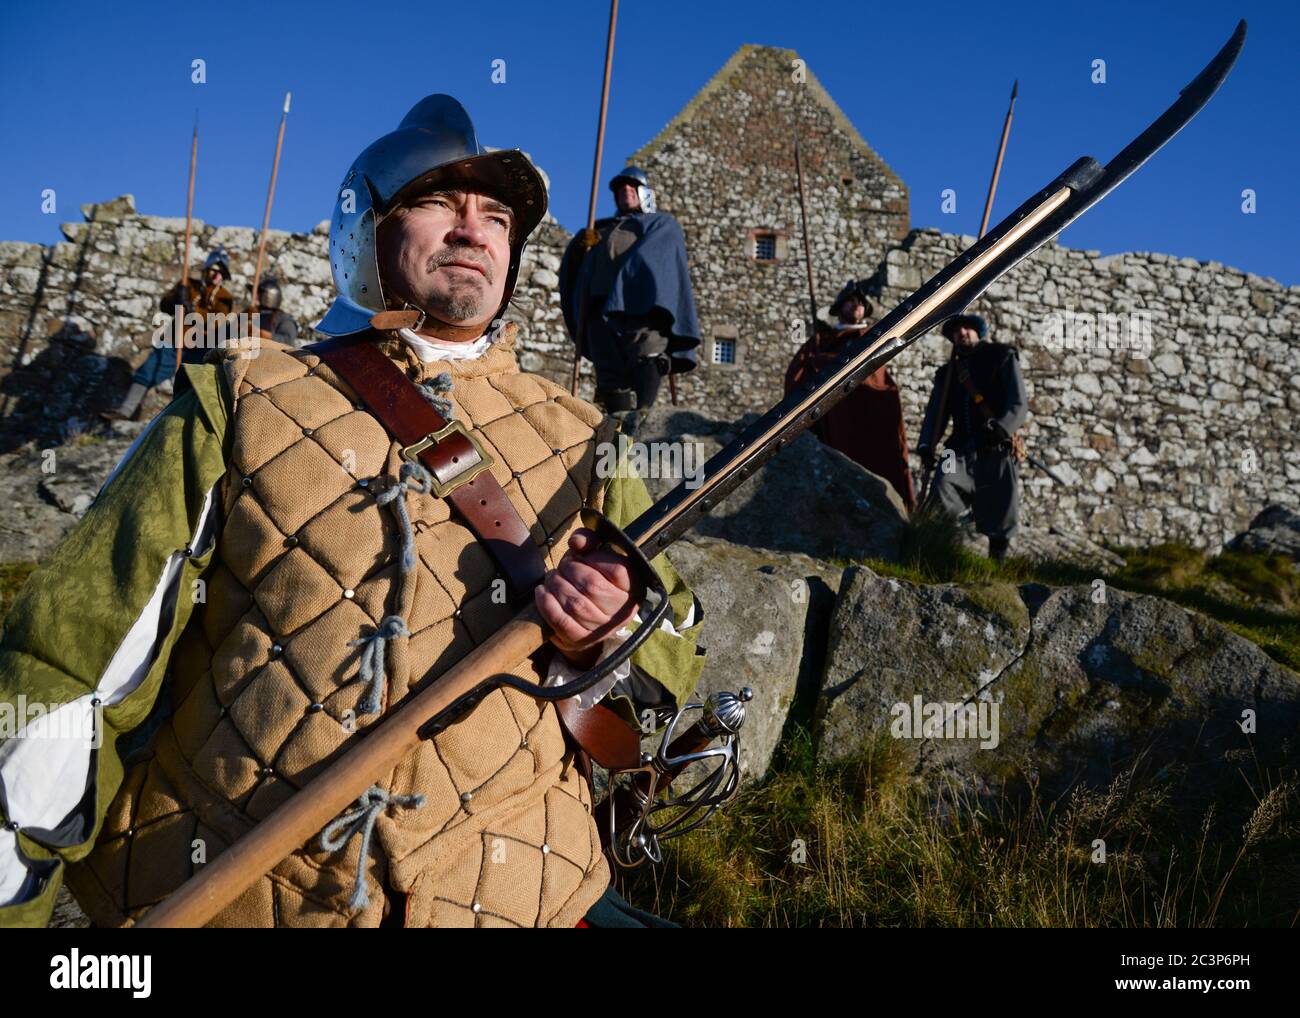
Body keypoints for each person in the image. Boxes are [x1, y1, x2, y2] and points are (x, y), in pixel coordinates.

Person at [0, 94, 704, 928]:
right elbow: (73, 668)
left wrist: (615, 633)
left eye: (496, 218)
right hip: (237, 894)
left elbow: (674, 646)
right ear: (367, 228)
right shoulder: (242, 395)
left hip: (514, 896)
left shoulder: (585, 439)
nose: (474, 230)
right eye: (437, 201)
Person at [559, 166, 700, 434]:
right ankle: (618, 426)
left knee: (646, 352)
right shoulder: (601, 229)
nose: (625, 192)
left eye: (631, 187)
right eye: (620, 189)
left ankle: (644, 416)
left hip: (640, 304)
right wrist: (581, 248)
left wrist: (627, 277)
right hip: (601, 309)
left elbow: (658, 254)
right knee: (608, 369)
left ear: (644, 192)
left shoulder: (659, 223)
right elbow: (577, 270)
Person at [784, 280, 916, 510]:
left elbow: (877, 379)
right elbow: (797, 377)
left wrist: (825, 361)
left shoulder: (873, 337)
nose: (857, 306)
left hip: (868, 414)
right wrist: (816, 359)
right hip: (835, 416)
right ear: (840, 308)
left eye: (861, 303)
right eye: (852, 301)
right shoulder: (821, 341)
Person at [916, 313, 1028, 560]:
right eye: (957, 330)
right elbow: (935, 414)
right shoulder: (947, 374)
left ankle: (995, 566)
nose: (962, 332)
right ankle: (937, 554)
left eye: (967, 328)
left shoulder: (1002, 357)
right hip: (957, 448)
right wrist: (926, 445)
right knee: (943, 486)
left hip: (996, 445)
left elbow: (1018, 403)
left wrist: (1003, 428)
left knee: (1000, 507)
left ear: (978, 331)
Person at [101, 248, 235, 421]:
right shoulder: (187, 285)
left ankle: (182, 421)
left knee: (190, 384)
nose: (217, 276)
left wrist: (193, 311)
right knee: (149, 370)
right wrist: (177, 299)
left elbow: (217, 322)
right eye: (215, 271)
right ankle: (127, 410)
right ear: (207, 269)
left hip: (200, 346)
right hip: (174, 339)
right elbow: (164, 305)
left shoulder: (224, 297)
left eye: (221, 273)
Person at [249, 276, 302, 348]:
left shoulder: (284, 319)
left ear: (269, 297)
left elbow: (288, 340)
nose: (256, 298)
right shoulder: (251, 313)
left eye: (259, 295)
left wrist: (265, 335)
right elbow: (230, 332)